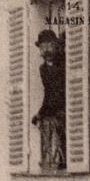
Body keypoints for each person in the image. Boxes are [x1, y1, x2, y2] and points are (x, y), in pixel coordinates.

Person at [31, 29, 66, 170]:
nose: (46, 51)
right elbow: (48, 92)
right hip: (51, 109)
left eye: (49, 46)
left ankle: (64, 161)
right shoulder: (43, 69)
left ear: (56, 46)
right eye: (42, 47)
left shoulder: (63, 64)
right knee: (45, 128)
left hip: (63, 108)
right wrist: (40, 113)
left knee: (63, 132)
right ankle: (49, 162)